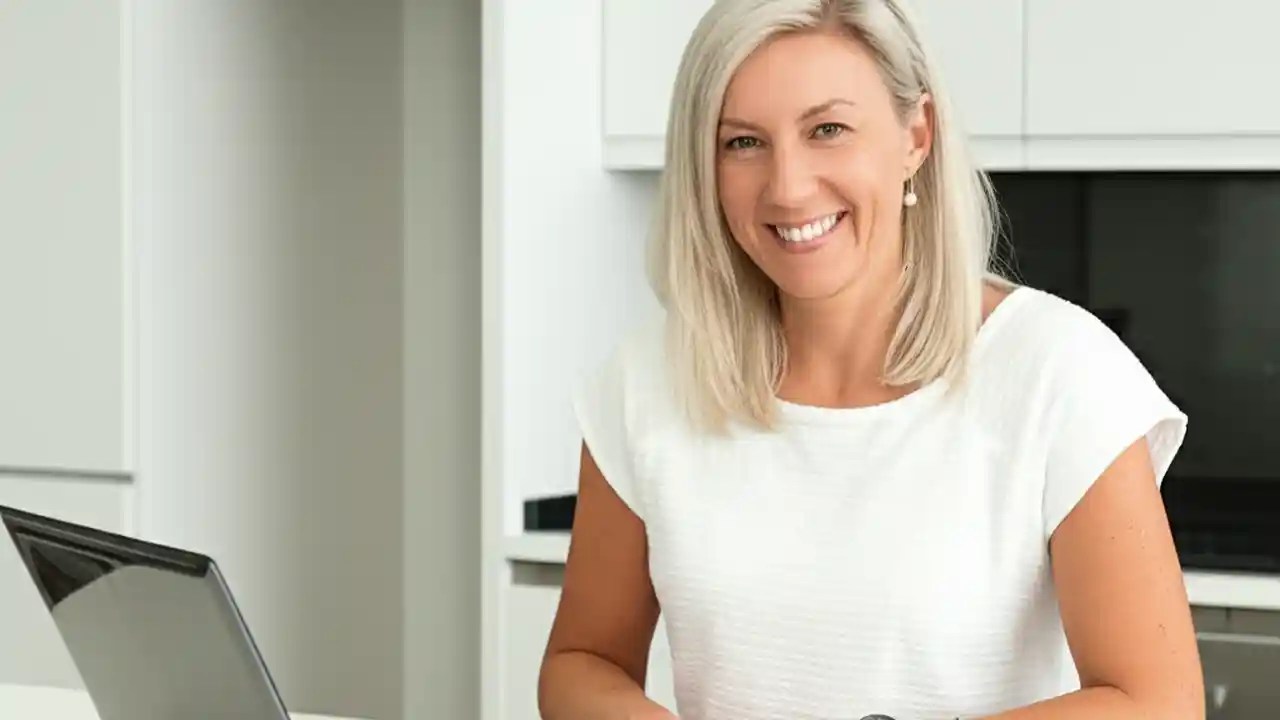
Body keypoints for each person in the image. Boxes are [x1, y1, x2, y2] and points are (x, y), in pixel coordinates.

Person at [538, 1, 1205, 718]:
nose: (788, 187)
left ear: (916, 135)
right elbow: (583, 664)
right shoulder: (650, 381)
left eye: (828, 129)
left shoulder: (1058, 371)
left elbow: (1157, 702)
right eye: (742, 143)